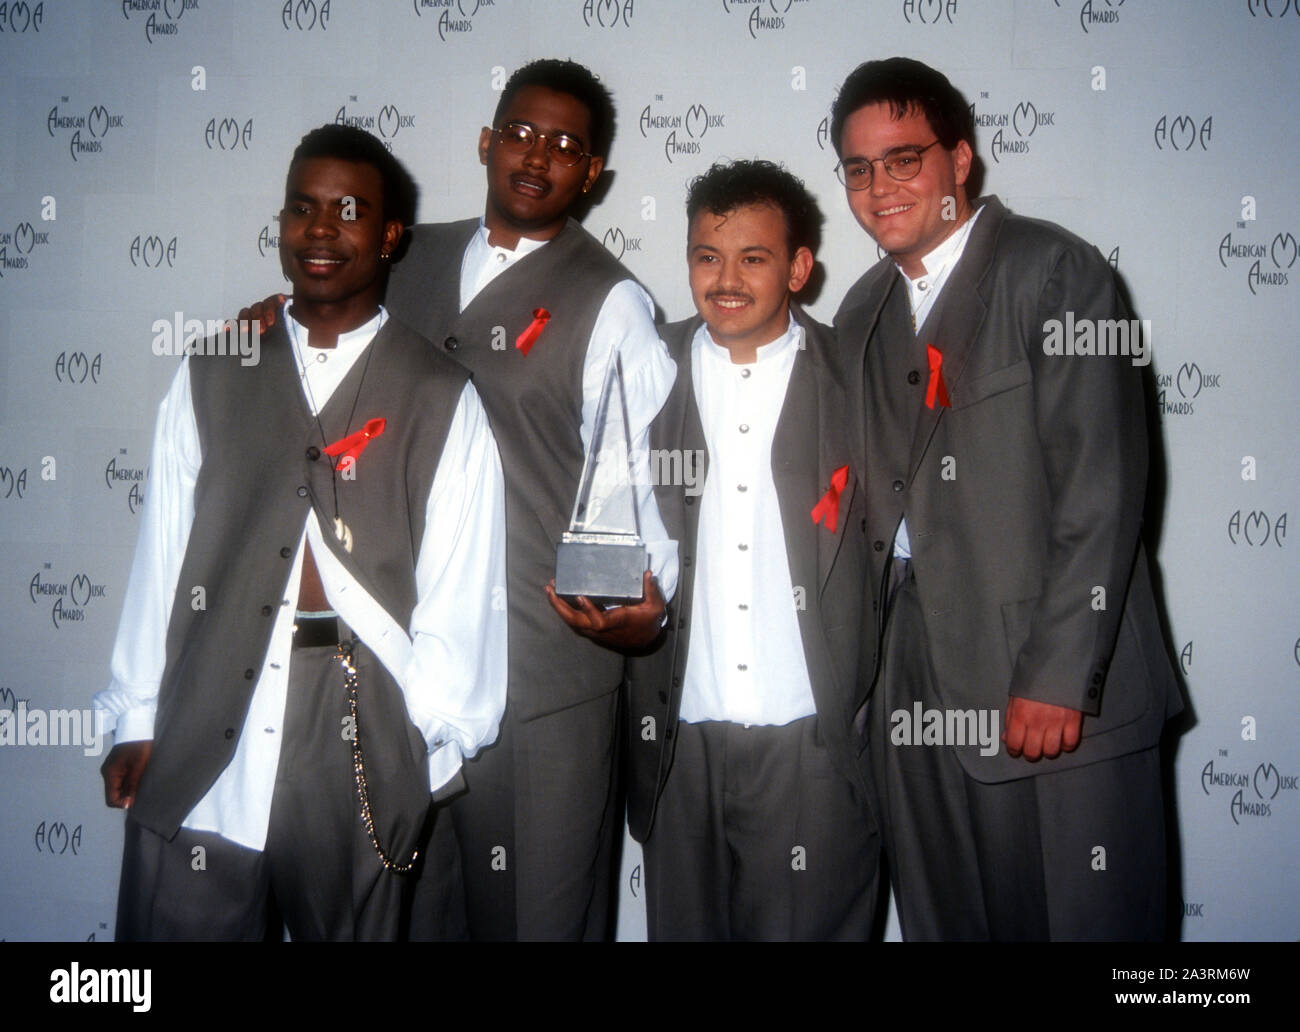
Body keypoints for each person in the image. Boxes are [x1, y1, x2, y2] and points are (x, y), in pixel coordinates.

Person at [94, 124, 507, 941]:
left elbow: (465, 590)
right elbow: (164, 555)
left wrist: (422, 749)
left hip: (357, 721)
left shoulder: (440, 393)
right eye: (302, 208)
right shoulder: (214, 368)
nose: (321, 229)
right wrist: (135, 714)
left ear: (390, 236)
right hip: (208, 708)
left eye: (349, 210)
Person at [829, 57, 1182, 941]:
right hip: (914, 684)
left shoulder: (1055, 273)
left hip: (1054, 683)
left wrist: (1061, 675)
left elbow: (1103, 488)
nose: (880, 186)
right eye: (859, 168)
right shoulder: (863, 309)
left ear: (960, 161)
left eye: (903, 159)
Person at [383, 58, 677, 940]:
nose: (537, 156)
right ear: (486, 142)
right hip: (410, 663)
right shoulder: (403, 259)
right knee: (414, 911)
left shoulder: (613, 303)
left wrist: (635, 613)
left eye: (565, 145)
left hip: (541, 680)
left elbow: (632, 498)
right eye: (521, 132)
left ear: (593, 175)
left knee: (541, 918)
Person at [612, 160, 879, 940]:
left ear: (800, 267)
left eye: (753, 258)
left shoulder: (858, 379)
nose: (725, 279)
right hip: (677, 743)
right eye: (706, 256)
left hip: (815, 747)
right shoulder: (639, 368)